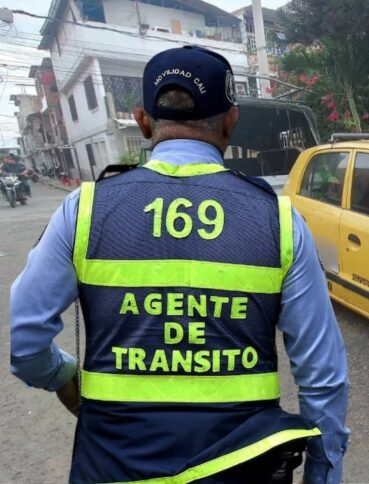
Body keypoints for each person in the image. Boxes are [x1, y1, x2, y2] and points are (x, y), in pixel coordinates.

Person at [10, 46, 349, 483]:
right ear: (231, 119)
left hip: (111, 467)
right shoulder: (279, 221)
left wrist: (61, 375)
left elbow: (26, 339)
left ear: (143, 120)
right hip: (242, 471)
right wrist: (322, 475)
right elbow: (323, 378)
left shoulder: (86, 209)